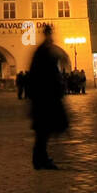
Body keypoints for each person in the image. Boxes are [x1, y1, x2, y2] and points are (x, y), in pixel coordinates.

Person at [27, 25, 68, 169]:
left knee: (43, 131)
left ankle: (40, 158)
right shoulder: (44, 51)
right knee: (43, 130)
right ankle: (40, 159)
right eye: (51, 34)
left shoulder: (43, 50)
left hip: (43, 97)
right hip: (44, 98)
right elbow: (45, 75)